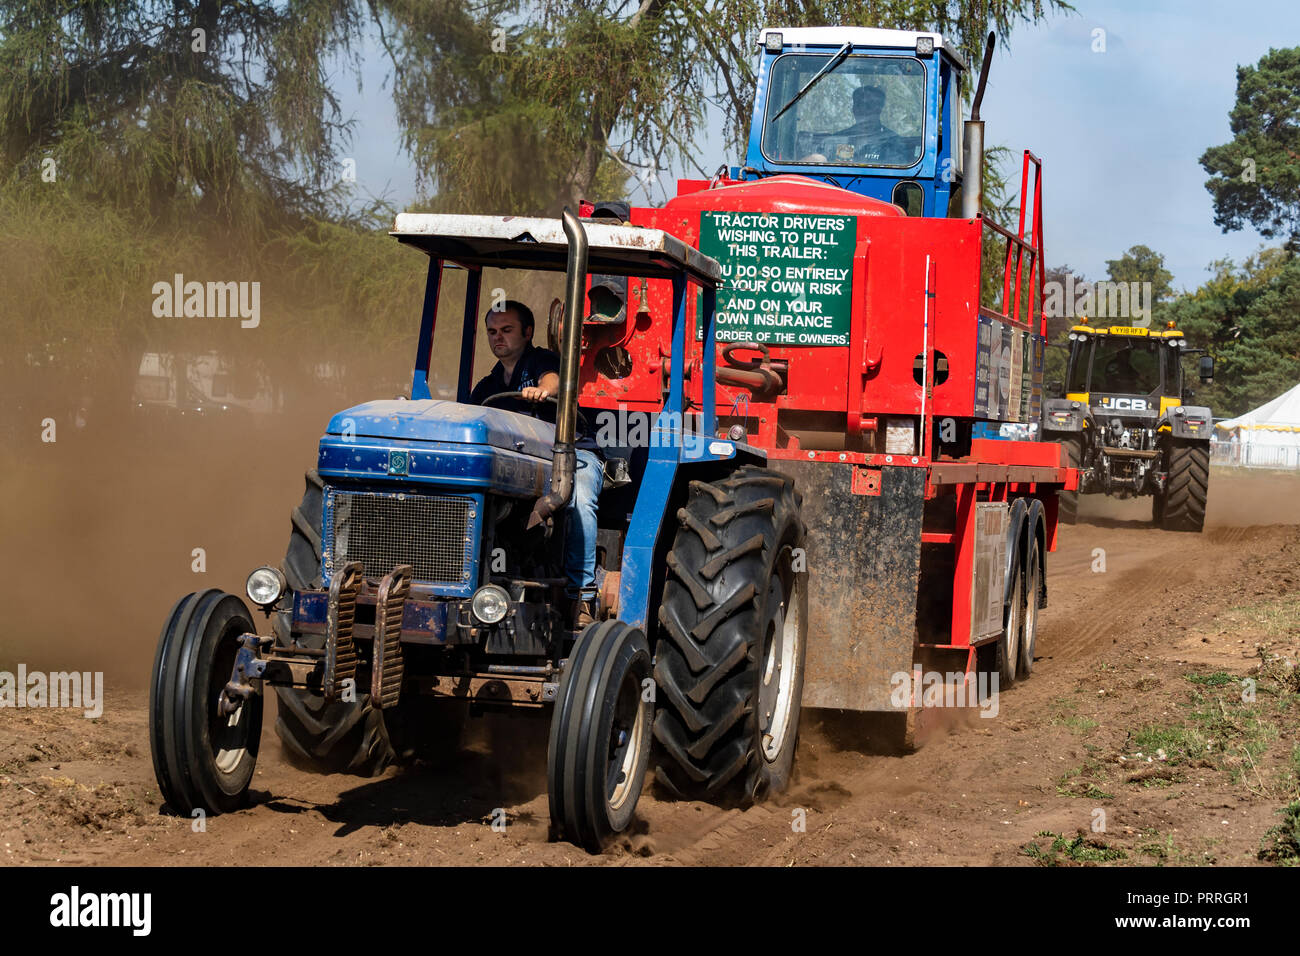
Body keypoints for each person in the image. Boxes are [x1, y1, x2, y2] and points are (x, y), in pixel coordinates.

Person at [469, 300, 603, 628]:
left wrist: (542, 391)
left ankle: (581, 596)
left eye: (507, 330)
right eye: (492, 331)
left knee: (579, 498)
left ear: (527, 332)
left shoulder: (543, 360)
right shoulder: (488, 386)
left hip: (570, 455)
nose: (498, 337)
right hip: (520, 460)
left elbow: (554, 380)